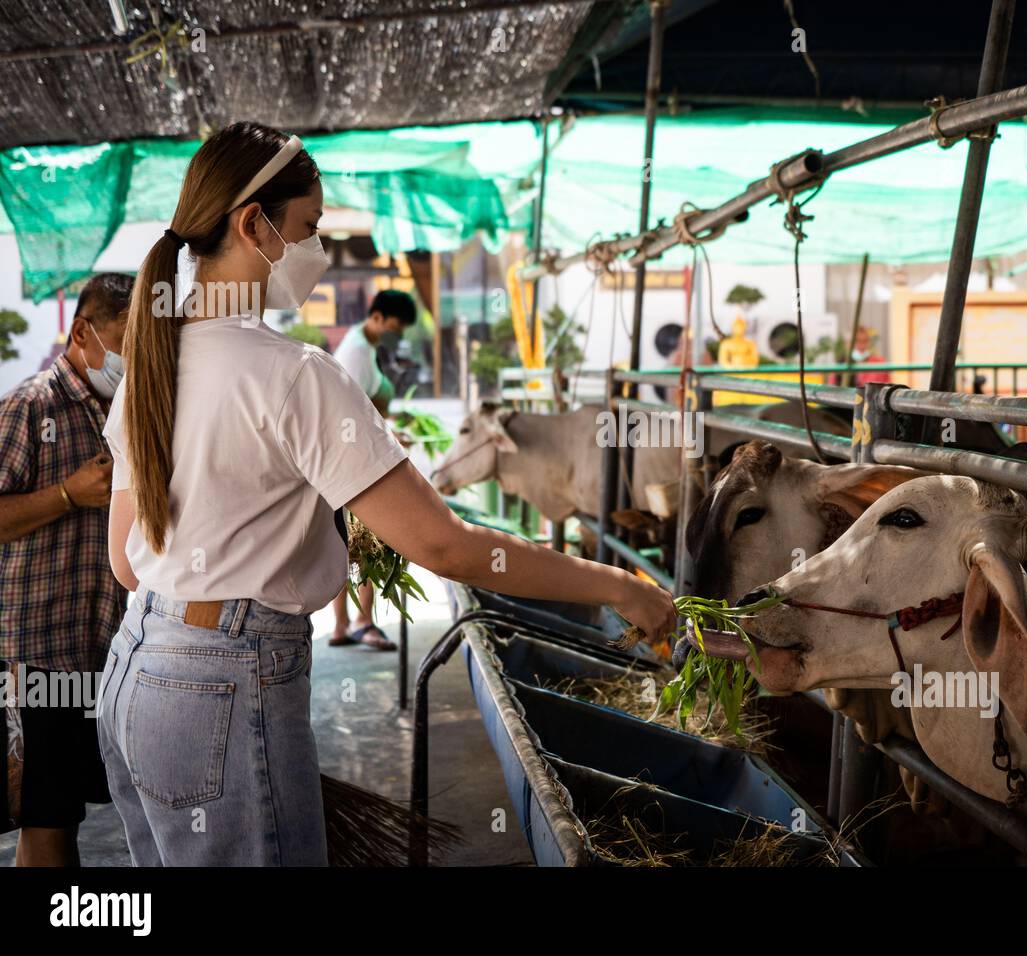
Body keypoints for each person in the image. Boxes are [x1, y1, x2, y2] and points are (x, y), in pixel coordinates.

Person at [97, 122, 676, 866]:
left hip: (137, 672)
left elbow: (125, 562)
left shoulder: (151, 364)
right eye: (308, 228)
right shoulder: (296, 374)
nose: (319, 253)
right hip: (225, 682)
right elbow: (448, 547)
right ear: (252, 224)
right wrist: (620, 586)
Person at [0, 273, 134, 866]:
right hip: (36, 655)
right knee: (48, 823)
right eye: (127, 342)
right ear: (82, 332)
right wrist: (67, 495)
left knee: (71, 813)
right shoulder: (30, 407)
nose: (136, 359)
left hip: (103, 652)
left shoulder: (128, 413)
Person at [328, 289, 417, 650]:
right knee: (368, 544)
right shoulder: (357, 353)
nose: (397, 334)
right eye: (395, 326)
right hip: (356, 462)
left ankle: (344, 625)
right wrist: (391, 434)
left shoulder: (362, 346)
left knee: (345, 543)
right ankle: (361, 622)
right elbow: (350, 417)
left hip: (355, 459)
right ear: (377, 317)